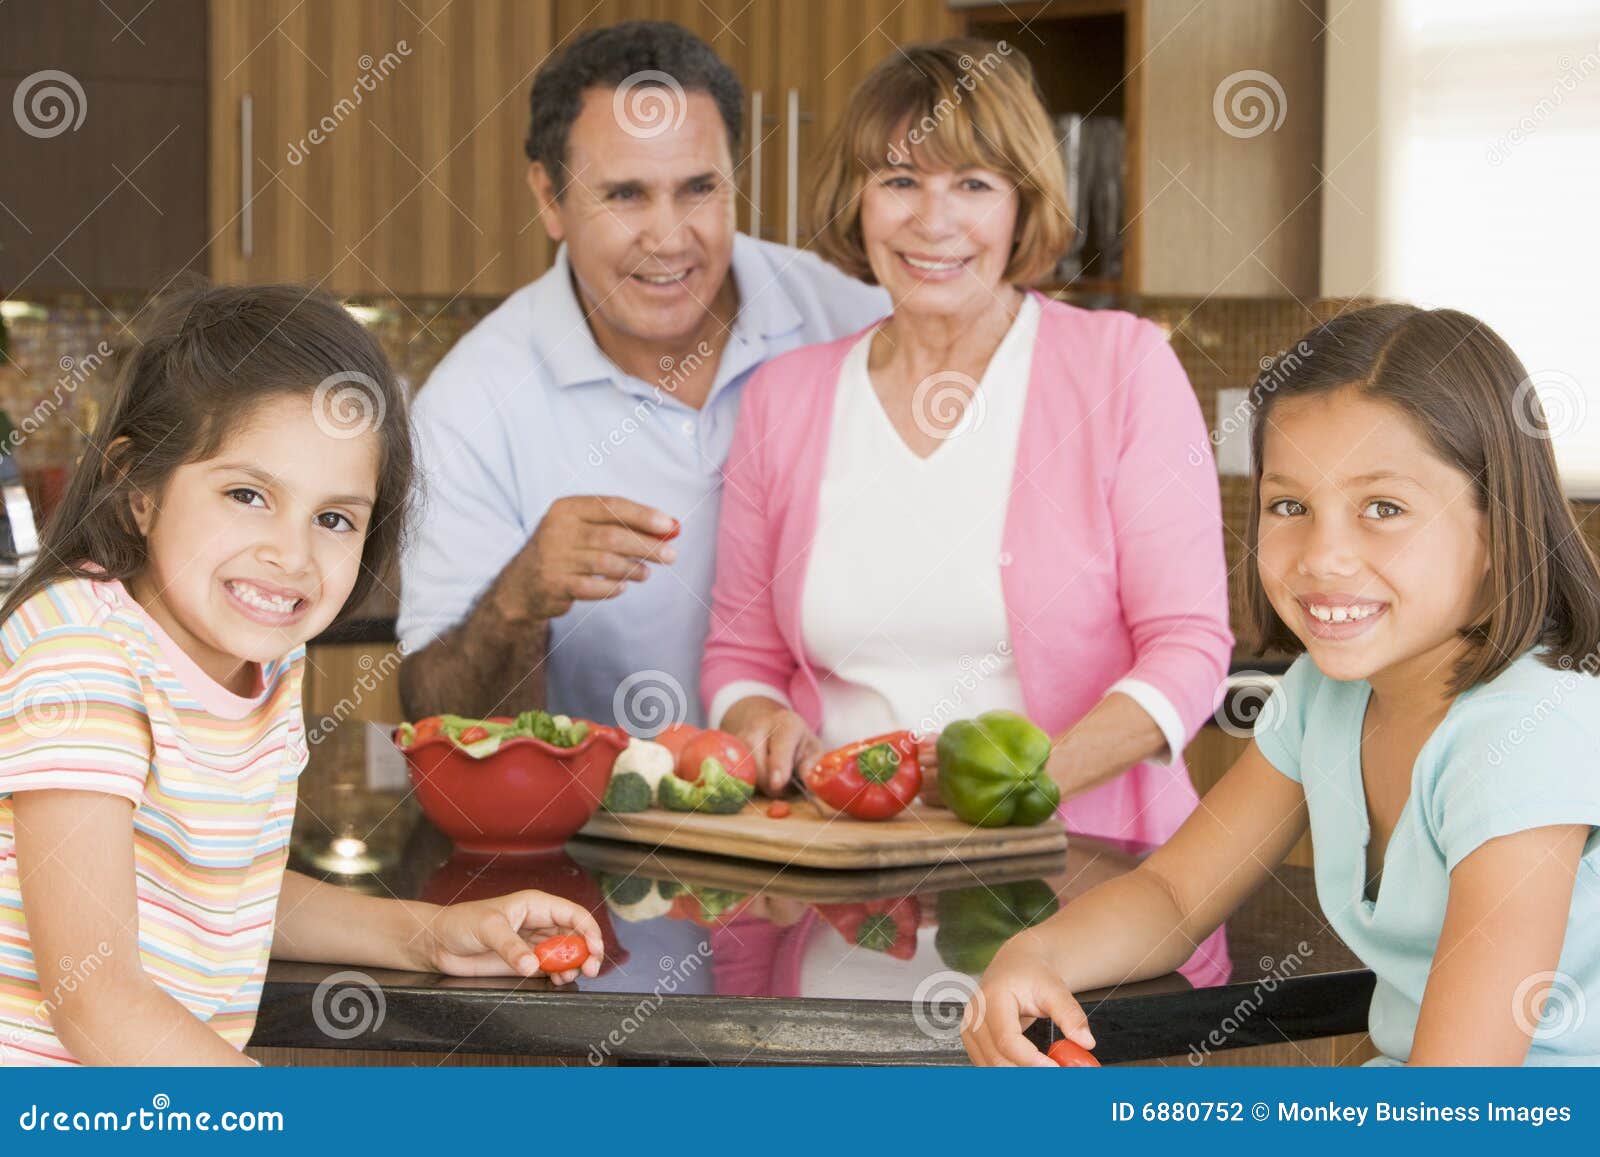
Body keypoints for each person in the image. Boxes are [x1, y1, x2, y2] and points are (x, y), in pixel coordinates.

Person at [964, 304, 1600, 1067]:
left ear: (1500, 530)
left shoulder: (1526, 735)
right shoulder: (1323, 697)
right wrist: (1033, 956)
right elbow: (1174, 896)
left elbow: (1455, 1102)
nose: (1323, 556)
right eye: (1290, 505)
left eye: (1384, 508)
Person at [0, 285, 602, 1067]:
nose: (292, 553)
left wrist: (428, 933)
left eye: (333, 518)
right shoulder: (84, 655)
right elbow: (97, 1001)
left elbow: (227, 893)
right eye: (247, 495)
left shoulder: (260, 661)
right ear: (137, 489)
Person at [701, 39, 1234, 826]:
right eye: (899, 180)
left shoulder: (1120, 367)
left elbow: (1189, 647)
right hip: (845, 878)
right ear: (857, 199)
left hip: (1084, 873)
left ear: (1022, 203)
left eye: (974, 184)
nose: (933, 219)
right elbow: (741, 657)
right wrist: (760, 722)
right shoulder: (786, 396)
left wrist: (1022, 787)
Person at [397, 21, 888, 728]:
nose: (668, 237)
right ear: (548, 198)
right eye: (625, 195)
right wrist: (519, 596)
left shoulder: (853, 321)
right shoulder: (472, 404)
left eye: (699, 188)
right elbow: (440, 721)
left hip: (848, 812)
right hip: (612, 831)